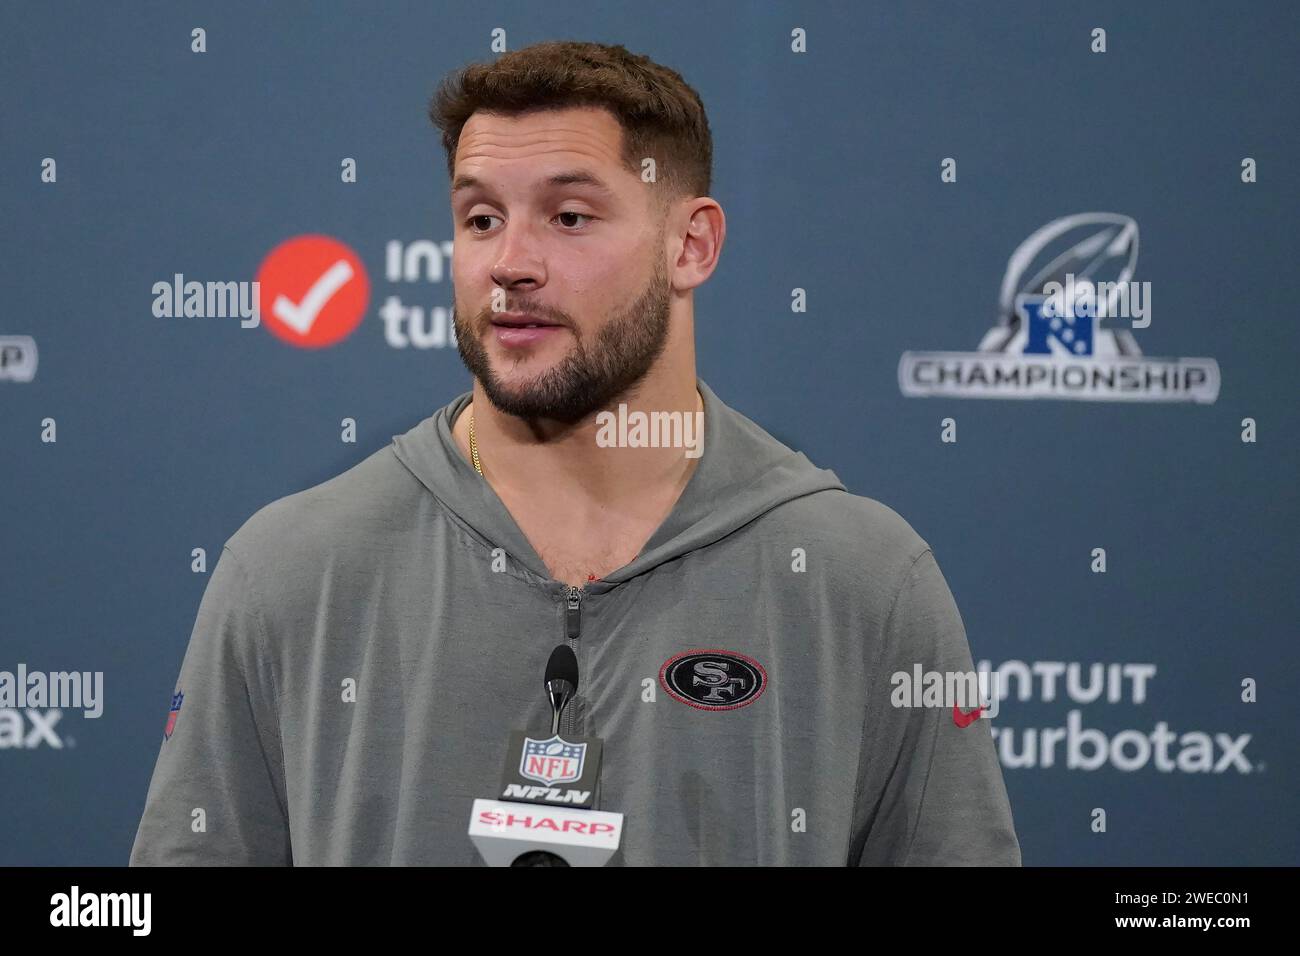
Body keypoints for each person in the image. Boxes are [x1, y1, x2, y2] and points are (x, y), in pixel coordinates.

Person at [129, 40, 1020, 866]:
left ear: (691, 243)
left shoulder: (863, 580)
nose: (510, 262)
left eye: (568, 216)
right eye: (480, 219)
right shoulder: (290, 571)